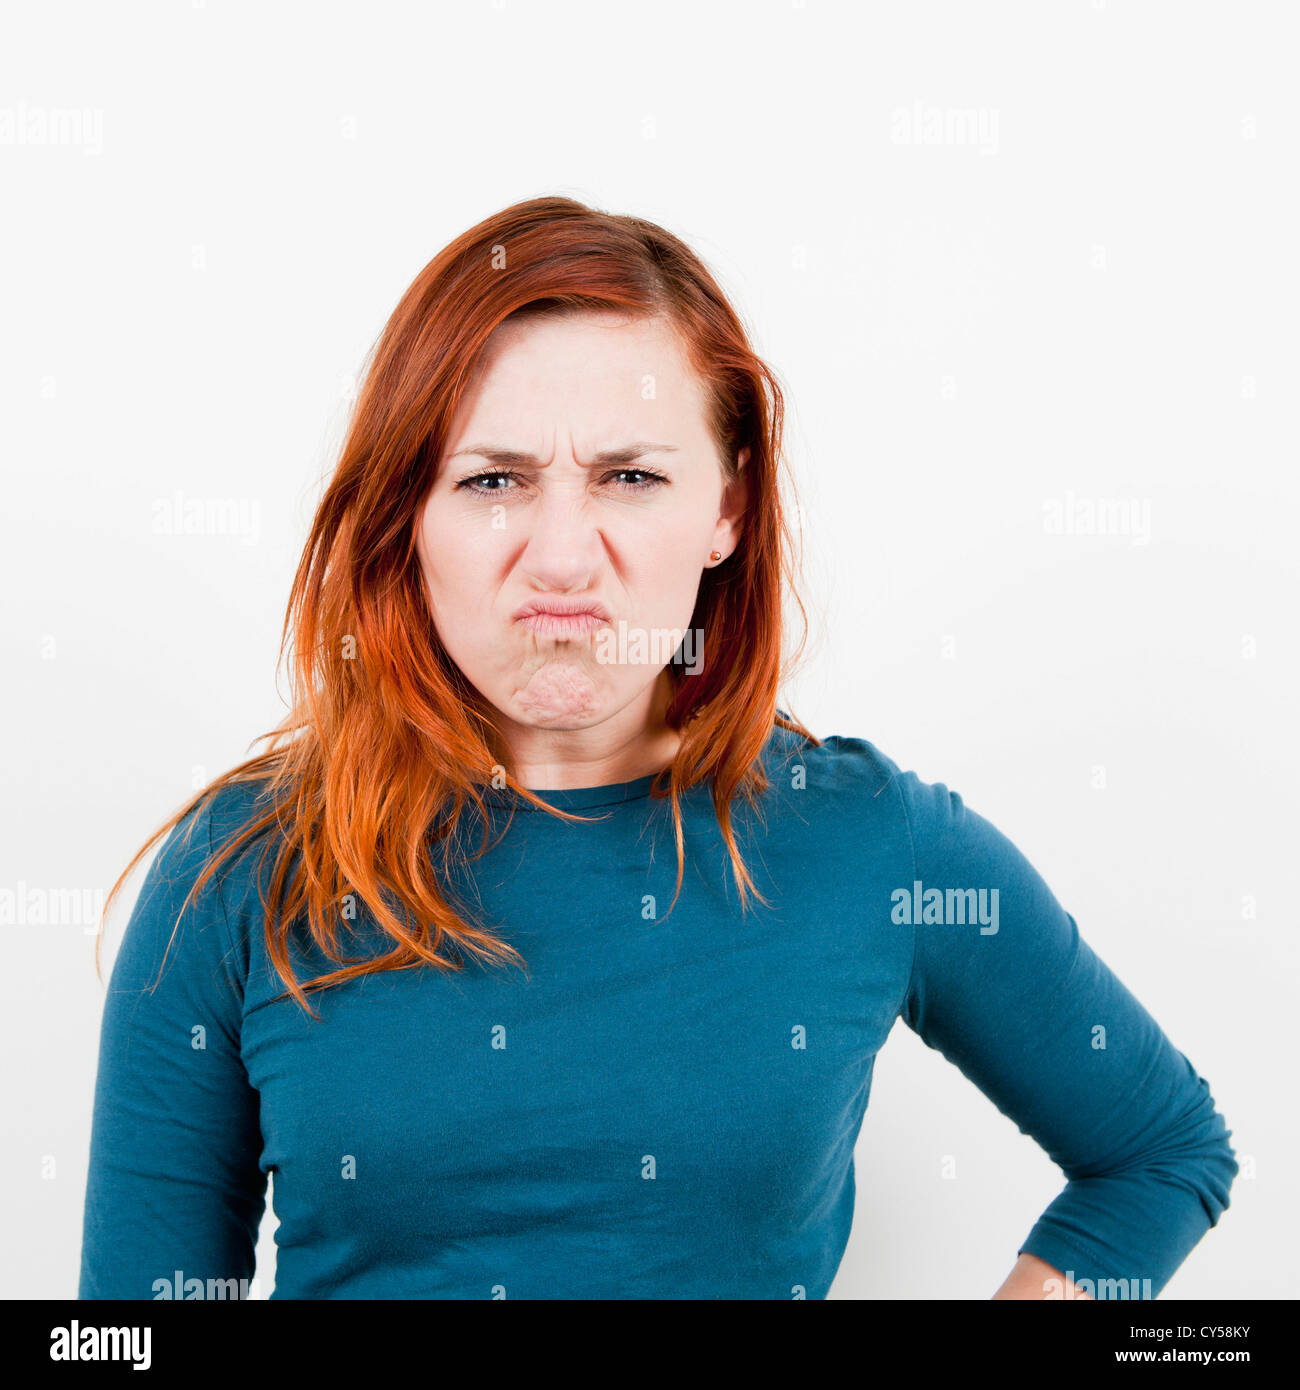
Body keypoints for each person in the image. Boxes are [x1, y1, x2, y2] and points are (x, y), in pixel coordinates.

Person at [78, 196, 1236, 1301]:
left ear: (727, 509)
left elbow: (1162, 1151)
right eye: (493, 481)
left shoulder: (875, 846)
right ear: (407, 514)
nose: (563, 557)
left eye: (629, 477)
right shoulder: (238, 871)